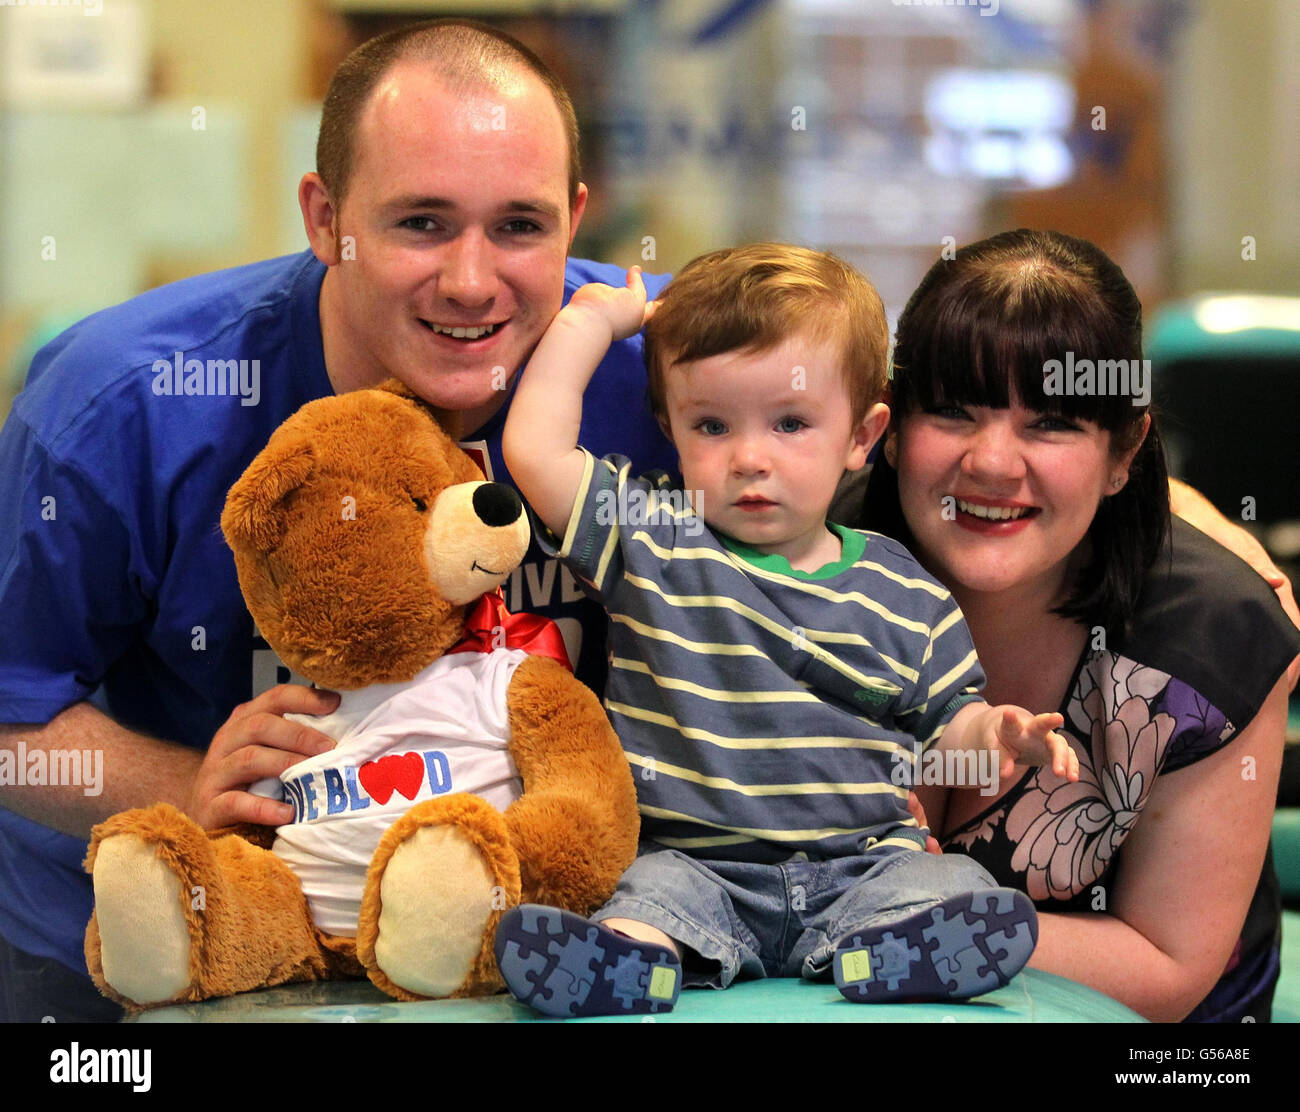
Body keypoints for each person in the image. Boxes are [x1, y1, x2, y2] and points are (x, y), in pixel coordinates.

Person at [0, 19, 676, 1023]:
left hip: (536, 961)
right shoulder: (127, 404)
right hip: (139, 972)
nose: (471, 280)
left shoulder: (677, 376)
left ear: (576, 219)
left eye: (520, 226)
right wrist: (196, 786)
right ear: (325, 219)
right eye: (421, 223)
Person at [495, 243, 1081, 1017]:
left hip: (863, 867)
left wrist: (999, 736)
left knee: (946, 888)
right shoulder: (655, 538)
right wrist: (593, 323)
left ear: (861, 436)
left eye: (791, 423)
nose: (749, 459)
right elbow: (534, 451)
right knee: (645, 901)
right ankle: (630, 965)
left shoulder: (904, 587)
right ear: (669, 427)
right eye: (711, 424)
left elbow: (947, 731)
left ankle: (892, 956)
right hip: (697, 866)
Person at [854, 228, 1300, 1022]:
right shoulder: (797, 556)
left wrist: (902, 924)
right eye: (953, 410)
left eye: (1051, 423)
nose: (991, 462)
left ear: (1125, 451)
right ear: (889, 427)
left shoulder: (1212, 637)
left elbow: (1167, 966)